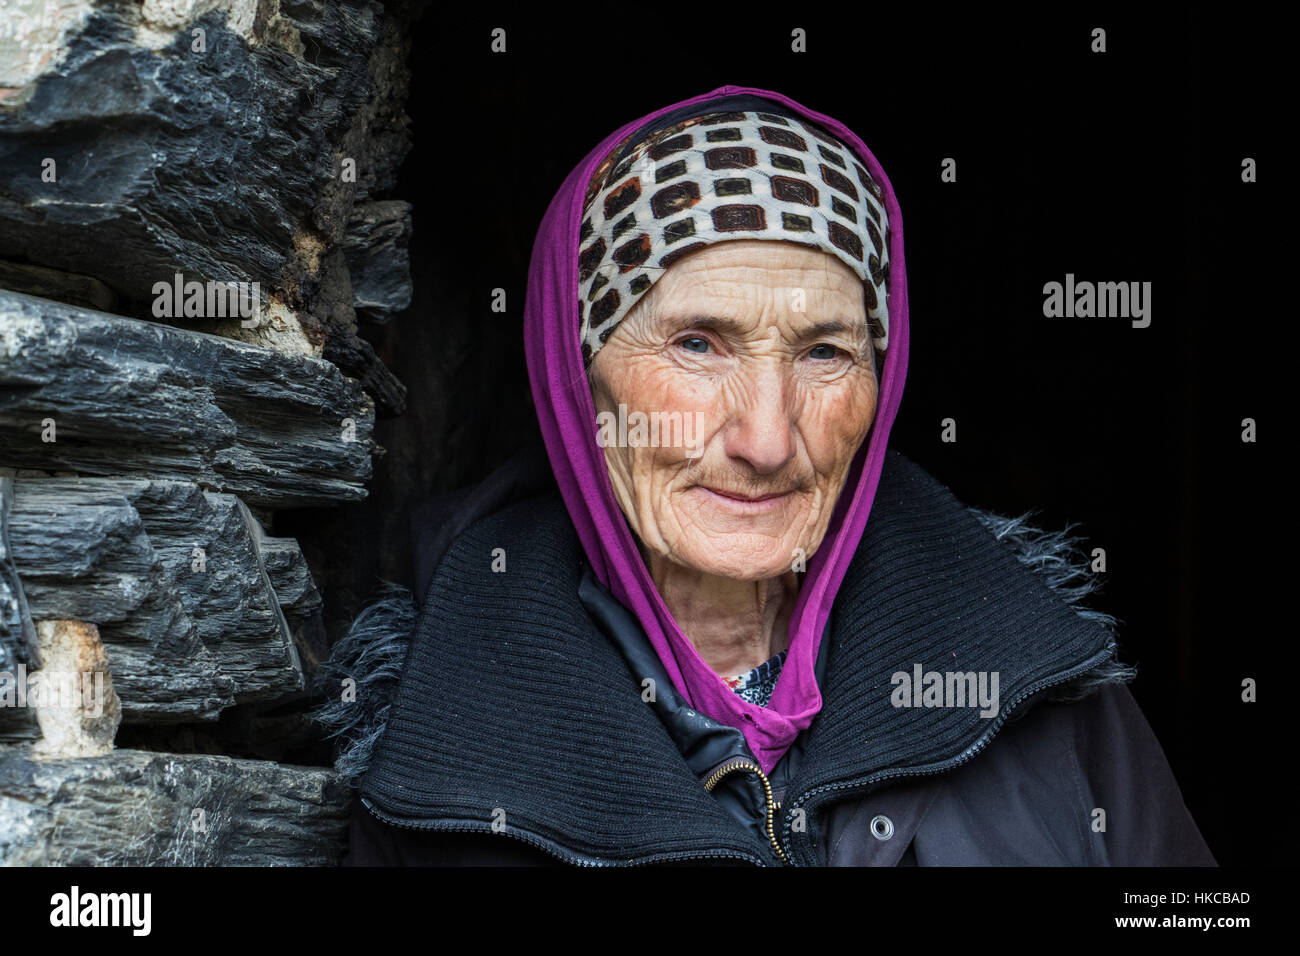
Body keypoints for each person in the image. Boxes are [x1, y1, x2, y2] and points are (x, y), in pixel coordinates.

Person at [315, 85, 1215, 866]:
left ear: (883, 381)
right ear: (574, 372)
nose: (767, 439)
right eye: (698, 344)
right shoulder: (442, 725)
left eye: (825, 352)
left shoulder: (1033, 673)